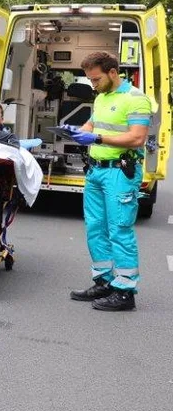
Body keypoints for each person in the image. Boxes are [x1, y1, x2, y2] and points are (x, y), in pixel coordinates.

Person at [63, 51, 152, 311]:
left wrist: (98, 139)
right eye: (90, 80)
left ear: (113, 72)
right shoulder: (102, 97)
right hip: (96, 171)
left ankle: (125, 291)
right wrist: (74, 131)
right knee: (95, 229)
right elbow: (91, 126)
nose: (93, 84)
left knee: (119, 230)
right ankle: (104, 281)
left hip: (119, 173)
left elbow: (137, 138)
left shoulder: (136, 99)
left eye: (96, 79)